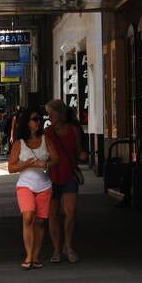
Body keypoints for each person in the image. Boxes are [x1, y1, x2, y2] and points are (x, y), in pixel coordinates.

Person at [8, 108, 59, 269]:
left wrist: (46, 164)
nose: (38, 122)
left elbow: (56, 159)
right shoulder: (19, 143)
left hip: (44, 186)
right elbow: (11, 167)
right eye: (35, 119)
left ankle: (36, 257)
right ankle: (29, 255)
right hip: (25, 185)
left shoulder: (46, 140)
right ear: (27, 123)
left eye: (39, 119)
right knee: (28, 216)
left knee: (39, 221)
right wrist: (27, 164)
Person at [45, 99, 86, 264]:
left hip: (69, 174)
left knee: (70, 211)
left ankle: (68, 245)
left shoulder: (72, 130)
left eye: (52, 113)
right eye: (48, 114)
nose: (50, 117)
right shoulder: (47, 132)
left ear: (60, 113)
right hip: (52, 177)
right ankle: (56, 249)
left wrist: (81, 155)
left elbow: (78, 150)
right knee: (53, 215)